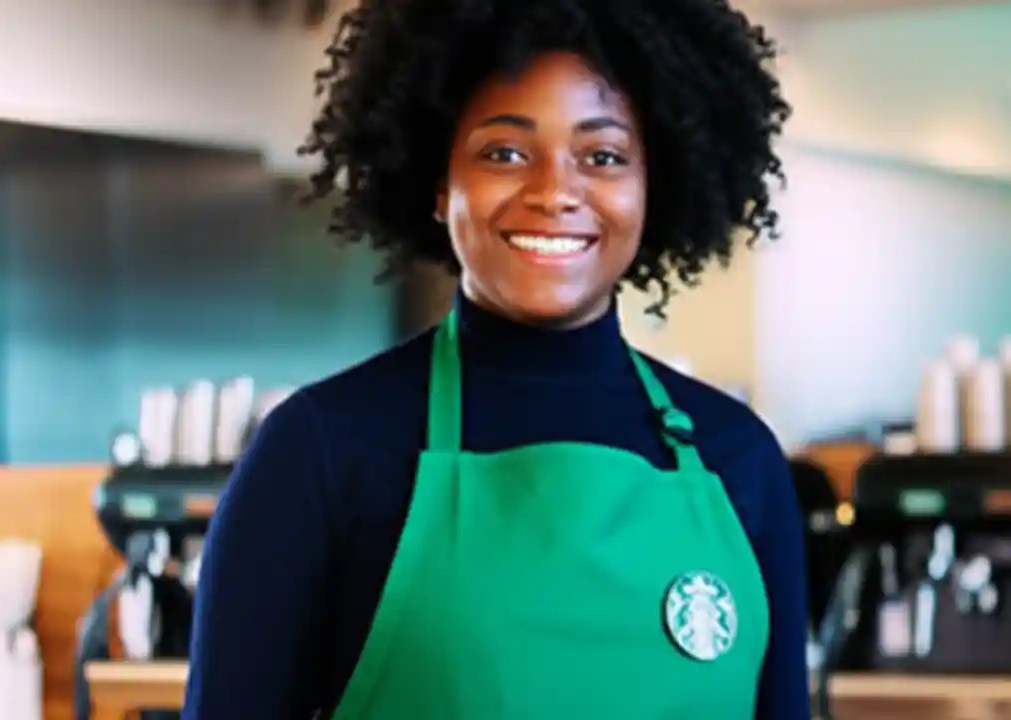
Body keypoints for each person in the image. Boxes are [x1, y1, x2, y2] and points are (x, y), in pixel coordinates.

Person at [182, 0, 807, 717]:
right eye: (504, 153)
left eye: (602, 157)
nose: (553, 193)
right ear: (440, 184)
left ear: (651, 188)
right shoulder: (324, 450)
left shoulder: (741, 461)